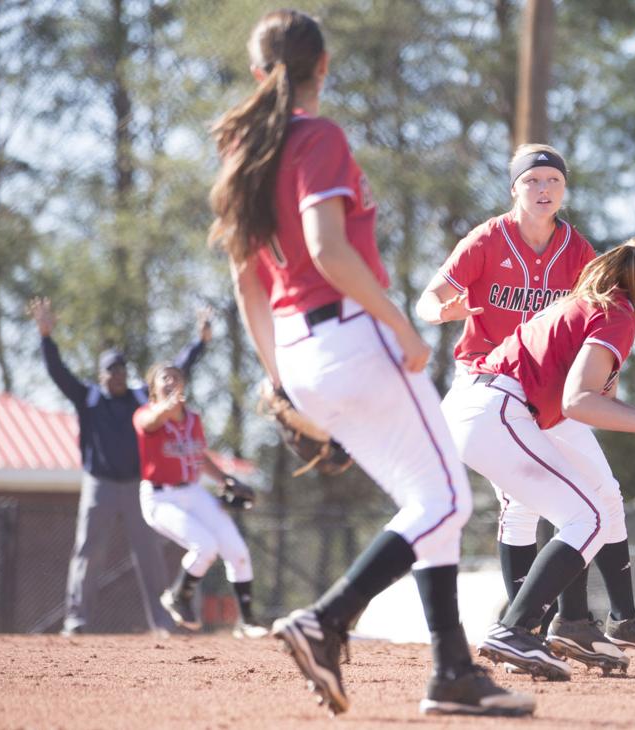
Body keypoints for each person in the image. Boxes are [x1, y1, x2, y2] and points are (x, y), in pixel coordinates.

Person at [210, 9, 531, 717]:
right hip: (353, 335)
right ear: (322, 66)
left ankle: (451, 670)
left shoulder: (246, 154)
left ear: (261, 75)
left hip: (299, 350)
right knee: (450, 499)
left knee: (429, 502)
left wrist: (276, 380)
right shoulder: (316, 136)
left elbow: (245, 282)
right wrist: (398, 323)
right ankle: (325, 620)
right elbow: (328, 250)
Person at [418, 146, 635, 672]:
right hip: (490, 387)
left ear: (563, 190)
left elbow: (588, 369)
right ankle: (523, 628)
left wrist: (626, 400)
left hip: (535, 400)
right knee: (541, 508)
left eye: (553, 180)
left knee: (599, 494)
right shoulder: (490, 239)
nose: (544, 188)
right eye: (533, 178)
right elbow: (427, 302)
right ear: (514, 188)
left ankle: (587, 622)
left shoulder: (578, 251)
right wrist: (445, 311)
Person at [442, 236, 635, 680]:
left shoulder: (593, 304)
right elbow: (579, 402)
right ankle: (516, 629)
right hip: (499, 409)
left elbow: (593, 399)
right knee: (590, 517)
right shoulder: (617, 314)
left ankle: (570, 625)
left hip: (488, 407)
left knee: (580, 504)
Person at [30, 297, 210, 636]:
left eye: (122, 369)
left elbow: (177, 372)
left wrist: (199, 342)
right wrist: (45, 337)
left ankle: (162, 622)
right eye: (111, 370)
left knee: (150, 554)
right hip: (99, 484)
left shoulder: (141, 398)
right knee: (87, 552)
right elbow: (57, 372)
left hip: (138, 486)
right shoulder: (89, 397)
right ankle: (77, 620)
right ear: (101, 375)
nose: (118, 375)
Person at [134, 363, 266, 638]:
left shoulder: (193, 418)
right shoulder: (145, 414)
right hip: (160, 497)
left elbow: (199, 456)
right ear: (153, 389)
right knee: (204, 546)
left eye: (176, 376)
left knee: (237, 549)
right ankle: (178, 596)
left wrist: (224, 480)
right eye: (164, 378)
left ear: (183, 385)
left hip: (192, 491)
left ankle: (247, 621)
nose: (171, 380)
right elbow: (149, 424)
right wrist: (164, 408)